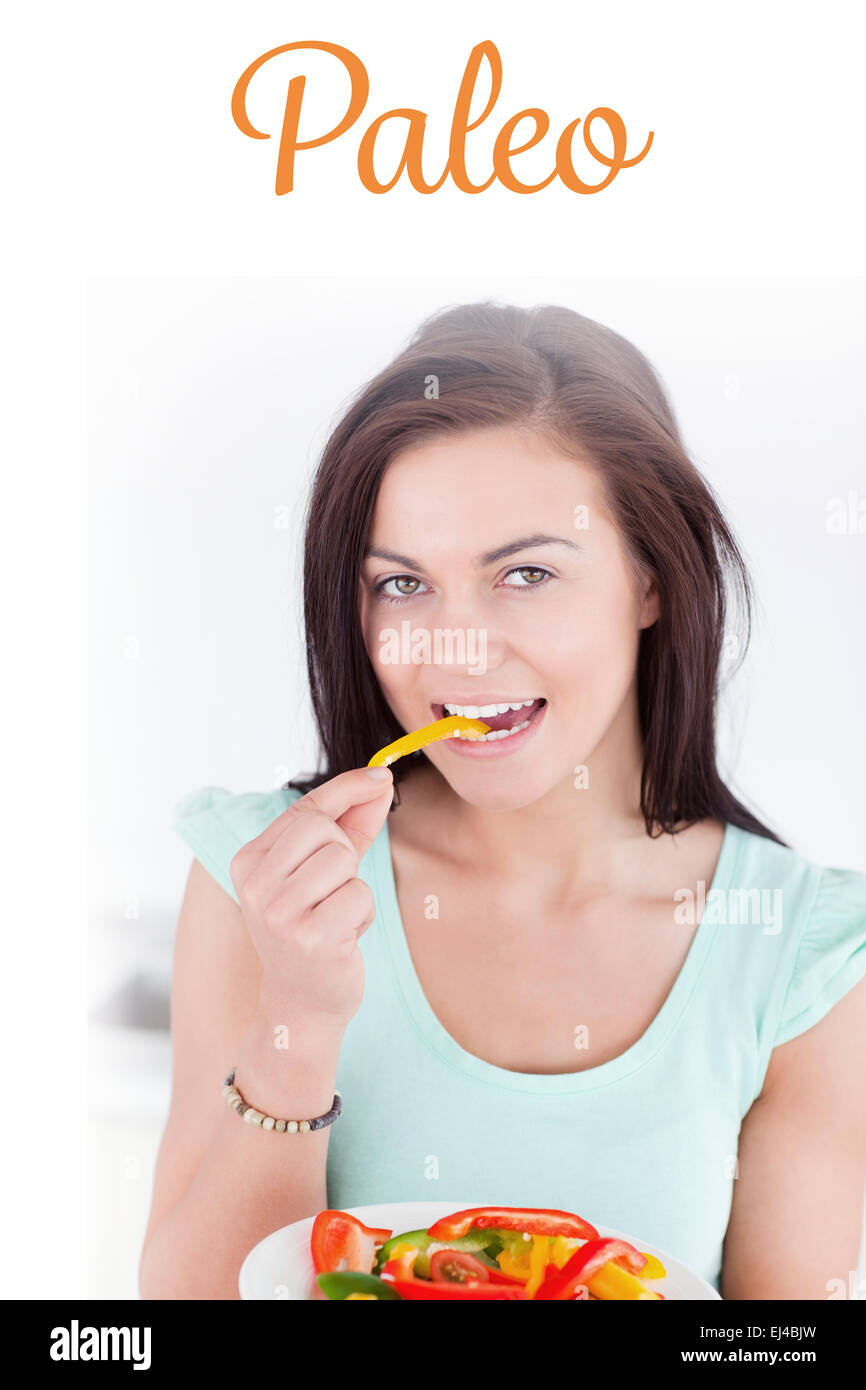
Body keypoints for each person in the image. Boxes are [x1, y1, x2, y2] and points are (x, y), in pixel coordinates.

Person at [139, 302, 866, 1299]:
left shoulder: (802, 953)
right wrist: (296, 1019)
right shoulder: (261, 880)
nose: (459, 651)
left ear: (650, 579)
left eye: (526, 573)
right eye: (403, 585)